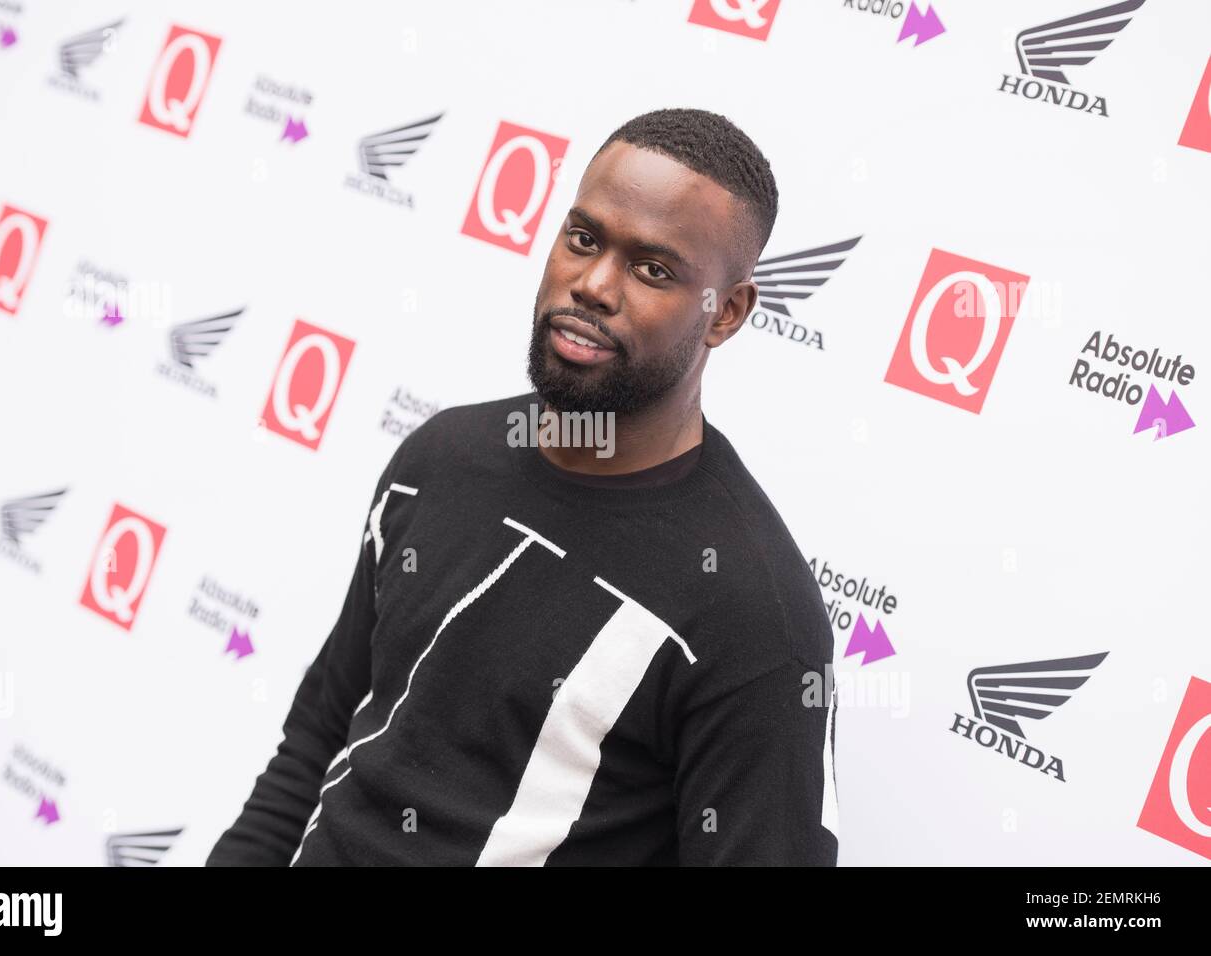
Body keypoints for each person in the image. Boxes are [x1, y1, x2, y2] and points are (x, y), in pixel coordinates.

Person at [207, 108, 839, 866]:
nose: (593, 285)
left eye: (653, 269)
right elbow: (315, 741)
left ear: (726, 313)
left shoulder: (751, 615)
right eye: (583, 239)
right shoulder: (439, 460)